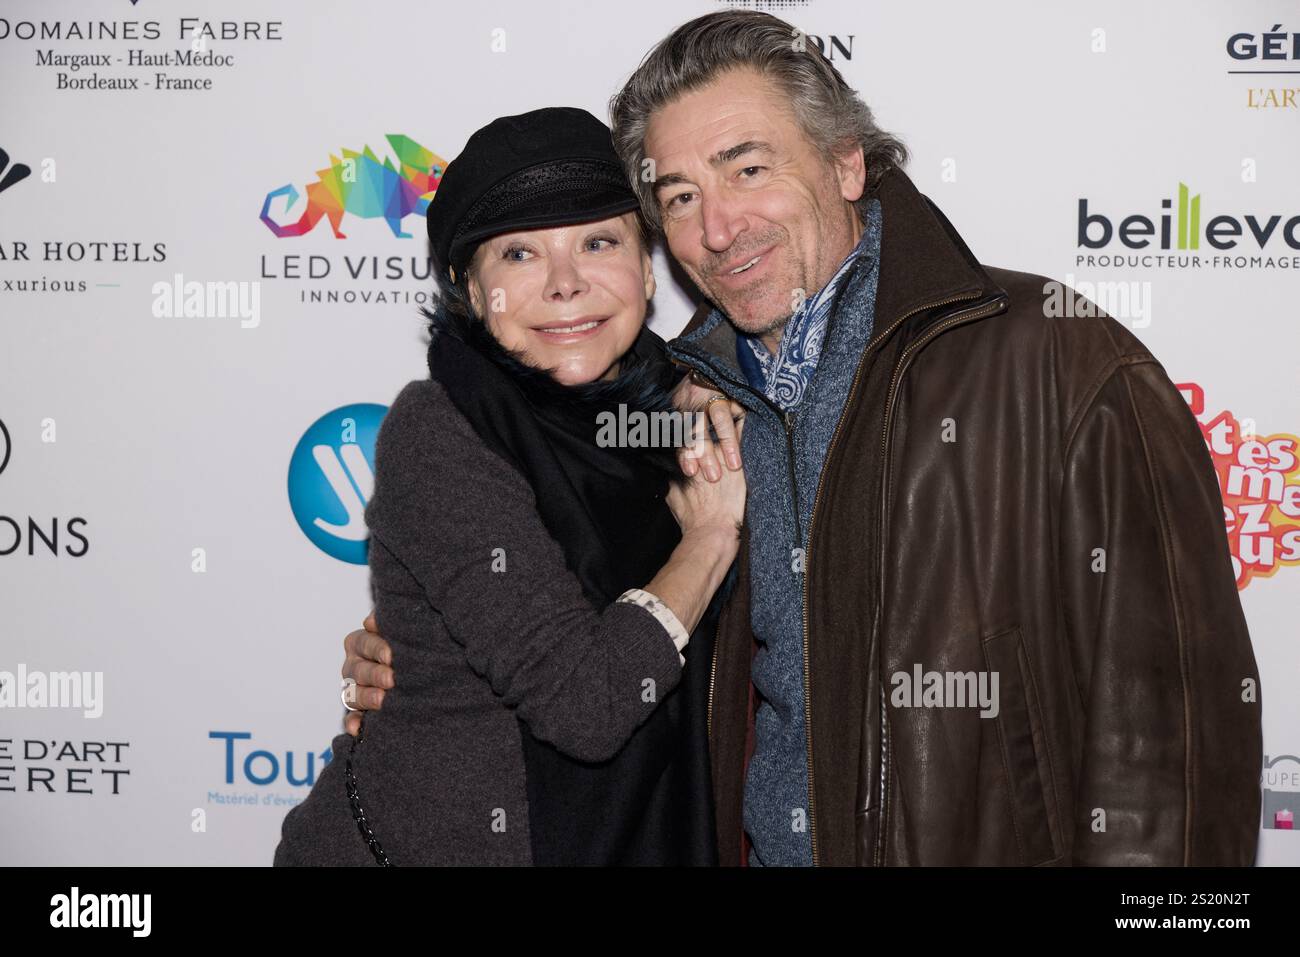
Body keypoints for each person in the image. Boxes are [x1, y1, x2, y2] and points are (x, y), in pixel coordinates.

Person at [344, 10, 1263, 866]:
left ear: (847, 165)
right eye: (679, 195)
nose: (719, 227)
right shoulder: (685, 400)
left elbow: (1172, 725)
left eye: (748, 168)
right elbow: (582, 638)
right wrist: (425, 659)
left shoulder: (1055, 360)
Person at [276, 107, 745, 866]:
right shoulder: (441, 430)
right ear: (468, 284)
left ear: (646, 267)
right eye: (521, 254)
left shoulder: (685, 410)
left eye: (598, 241)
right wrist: (709, 540)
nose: (566, 284)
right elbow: (587, 705)